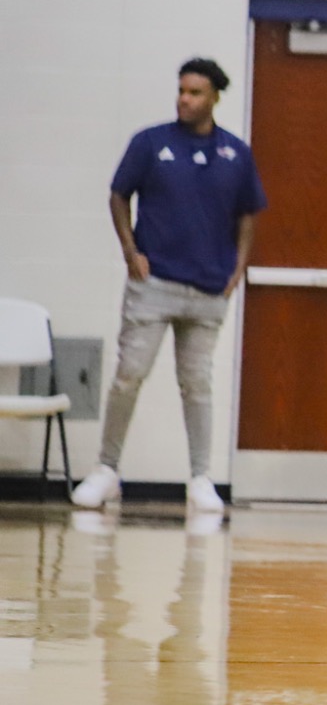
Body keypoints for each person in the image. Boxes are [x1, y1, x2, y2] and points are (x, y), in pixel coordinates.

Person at [71, 58, 266, 515]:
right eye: (181, 90)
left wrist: (237, 270)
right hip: (153, 282)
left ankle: (200, 479)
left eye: (195, 92)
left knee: (197, 383)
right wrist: (128, 249)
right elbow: (119, 194)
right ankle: (106, 470)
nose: (185, 99)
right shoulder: (150, 142)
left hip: (208, 288)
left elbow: (248, 215)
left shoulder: (235, 153)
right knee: (129, 374)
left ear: (214, 97)